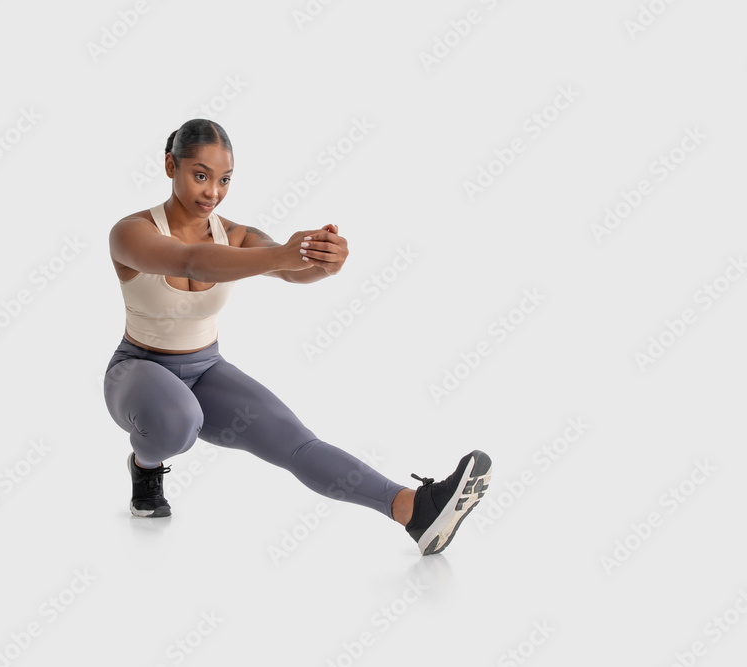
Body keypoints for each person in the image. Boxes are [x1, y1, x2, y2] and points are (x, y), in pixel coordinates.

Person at [103, 119, 492, 555]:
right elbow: (192, 261)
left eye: (225, 180)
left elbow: (288, 268)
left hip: (205, 369)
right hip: (138, 369)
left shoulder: (236, 235)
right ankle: (146, 465)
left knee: (295, 441)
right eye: (200, 175)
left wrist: (321, 261)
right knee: (178, 420)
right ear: (171, 165)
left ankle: (412, 509)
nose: (213, 192)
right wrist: (281, 254)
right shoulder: (131, 232)